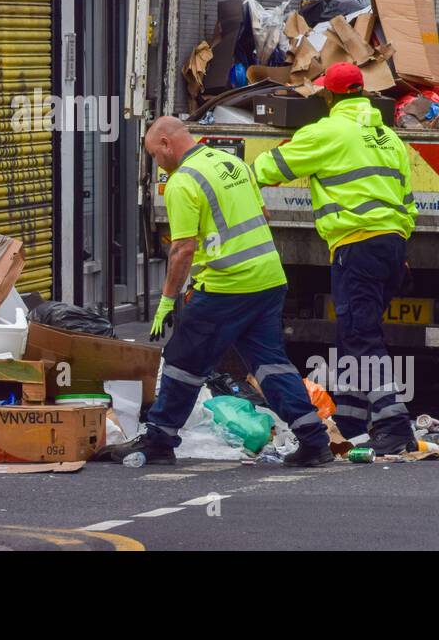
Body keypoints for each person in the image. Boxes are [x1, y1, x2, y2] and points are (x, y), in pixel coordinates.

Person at [97, 117, 333, 467]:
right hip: (268, 279)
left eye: (153, 154)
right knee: (271, 365)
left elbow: (183, 250)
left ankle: (160, 439)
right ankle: (314, 440)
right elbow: (263, 216)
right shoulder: (232, 163)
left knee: (181, 361)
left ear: (165, 143)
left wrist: (165, 301)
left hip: (228, 286)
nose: (155, 163)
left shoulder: (183, 182)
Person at [253, 62, 418, 455]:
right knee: (351, 337)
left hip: (356, 245)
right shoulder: (388, 137)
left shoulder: (326, 132)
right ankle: (348, 420)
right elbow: (407, 203)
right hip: (392, 246)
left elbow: (268, 169)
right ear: (361, 93)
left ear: (329, 95)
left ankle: (394, 423)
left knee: (361, 338)